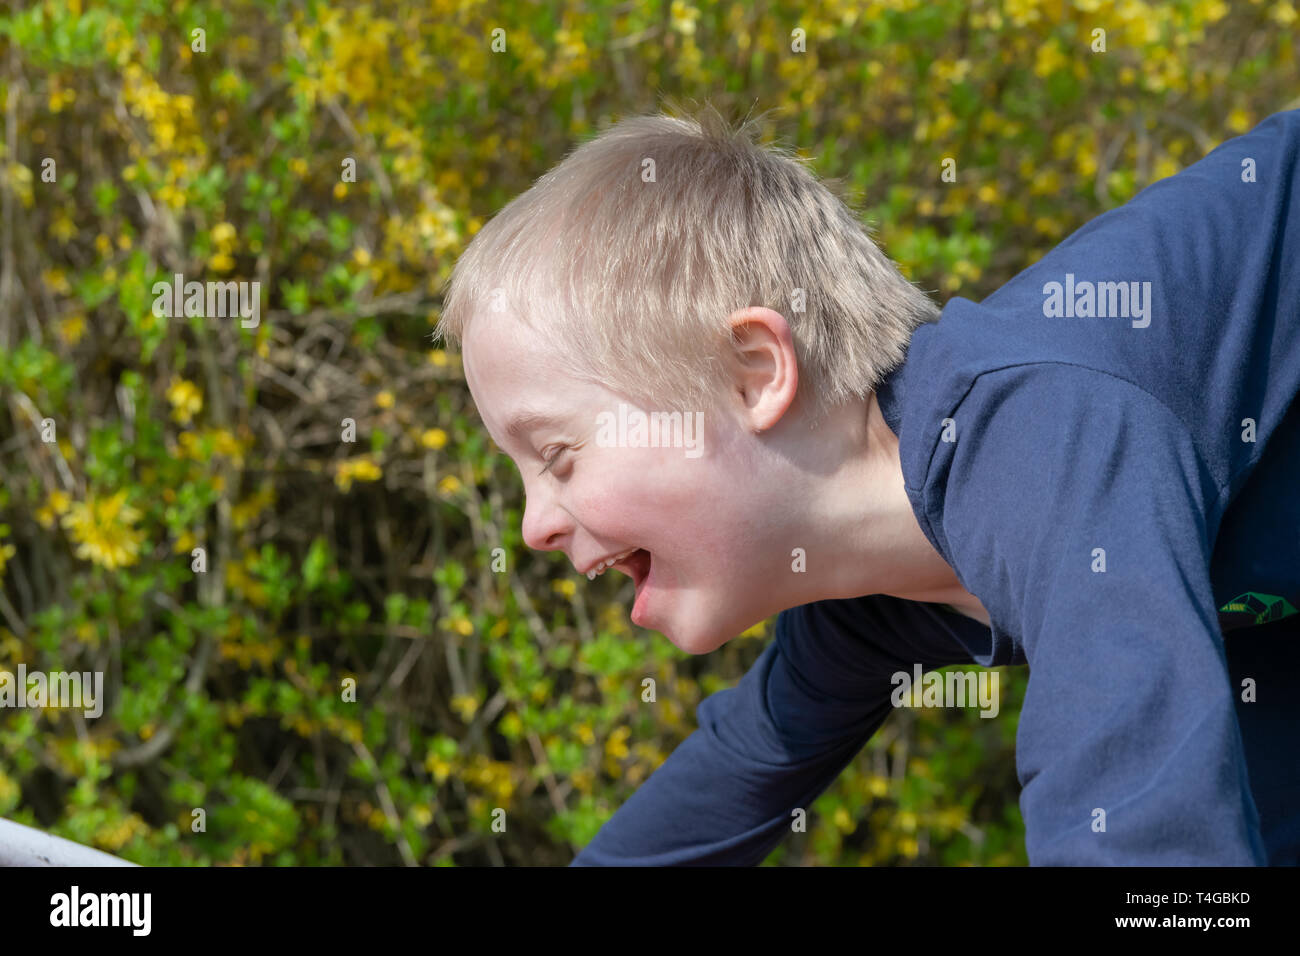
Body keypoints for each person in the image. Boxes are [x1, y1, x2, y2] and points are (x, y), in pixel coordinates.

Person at [435, 103, 1300, 864]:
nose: (532, 529)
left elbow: (1138, 836)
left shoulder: (1045, 434)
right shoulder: (877, 601)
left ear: (752, 373)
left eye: (556, 456)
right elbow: (714, 799)